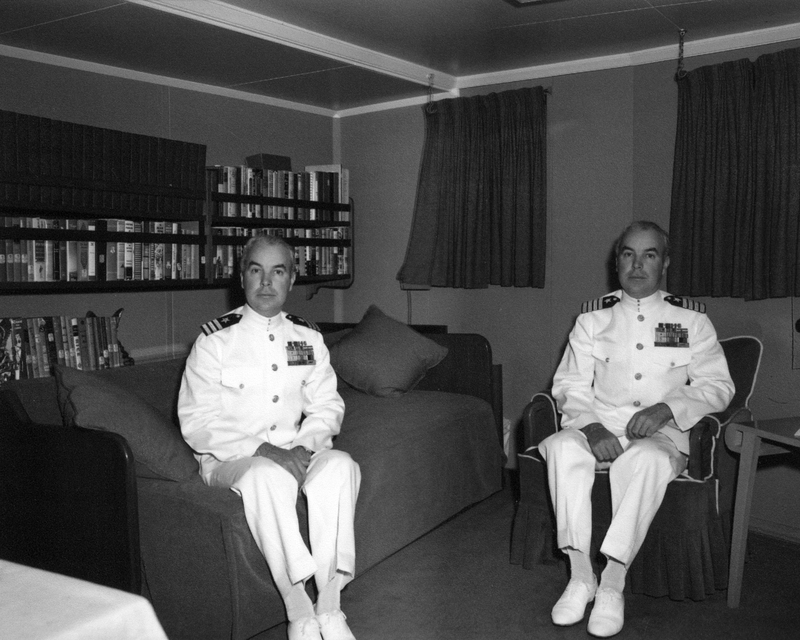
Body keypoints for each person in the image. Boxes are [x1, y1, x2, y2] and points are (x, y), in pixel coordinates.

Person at [538, 221, 734, 638]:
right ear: (617, 261)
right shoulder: (593, 319)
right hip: (602, 424)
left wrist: (668, 408)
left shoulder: (690, 320)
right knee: (559, 447)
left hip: (664, 434)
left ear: (664, 263)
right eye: (628, 254)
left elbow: (718, 387)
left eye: (649, 255)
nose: (638, 264)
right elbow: (569, 385)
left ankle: (612, 582)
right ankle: (579, 575)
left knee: (645, 458)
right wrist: (590, 428)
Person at [178, 234, 361, 640]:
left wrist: (301, 448)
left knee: (341, 466)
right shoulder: (214, 341)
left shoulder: (308, 338)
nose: (266, 282)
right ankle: (299, 612)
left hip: (297, 450)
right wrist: (267, 452)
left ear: (291, 280)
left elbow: (327, 407)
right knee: (266, 475)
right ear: (241, 278)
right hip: (231, 459)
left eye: (277, 271)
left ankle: (329, 606)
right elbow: (197, 420)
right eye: (256, 271)